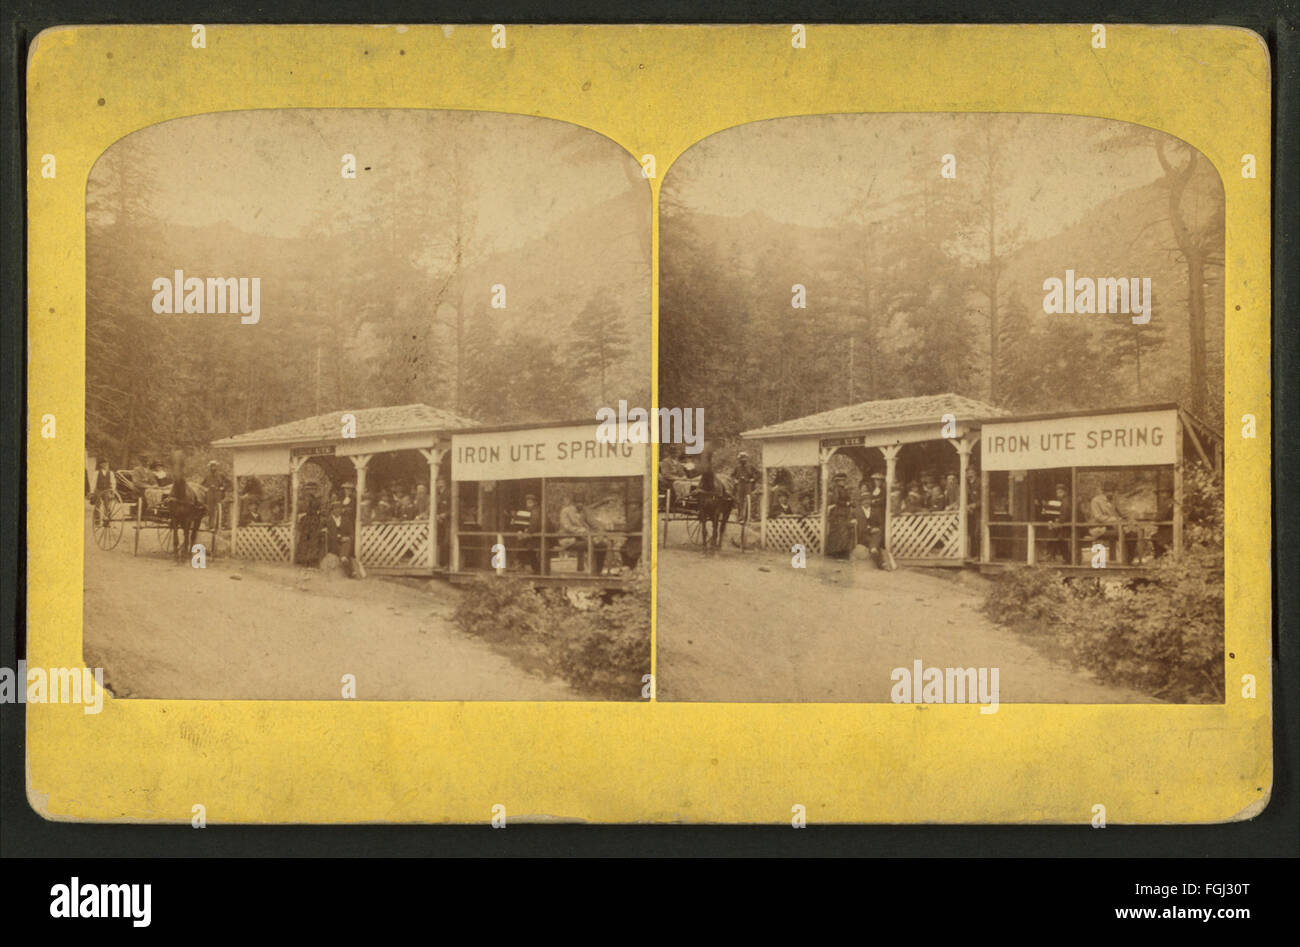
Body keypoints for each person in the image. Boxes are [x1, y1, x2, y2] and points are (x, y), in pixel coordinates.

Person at [825, 472, 855, 558]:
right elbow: (836, 501)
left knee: (843, 532)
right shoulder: (836, 489)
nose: (844, 482)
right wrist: (847, 503)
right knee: (839, 532)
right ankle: (835, 552)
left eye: (844, 480)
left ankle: (842, 551)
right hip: (838, 513)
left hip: (844, 512)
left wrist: (850, 503)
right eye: (842, 480)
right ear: (837, 481)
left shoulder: (843, 489)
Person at [1086, 481, 1122, 554]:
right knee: (1121, 534)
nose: (1111, 493)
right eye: (1108, 491)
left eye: (1112, 491)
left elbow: (1121, 512)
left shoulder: (1112, 500)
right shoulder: (1096, 501)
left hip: (1109, 527)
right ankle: (1123, 559)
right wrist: (1114, 519)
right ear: (1104, 492)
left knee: (1129, 533)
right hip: (1097, 528)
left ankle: (1125, 559)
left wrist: (1128, 517)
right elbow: (1098, 517)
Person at [558, 494, 591, 571]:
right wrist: (581, 530)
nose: (580, 504)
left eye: (582, 502)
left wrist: (587, 529)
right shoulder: (565, 511)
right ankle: (587, 569)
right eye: (578, 502)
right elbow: (567, 527)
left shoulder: (581, 512)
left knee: (593, 543)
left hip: (578, 539)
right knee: (588, 544)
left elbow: (586, 525)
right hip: (566, 539)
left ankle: (583, 569)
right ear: (574, 503)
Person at [325, 500, 357, 576]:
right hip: (333, 543)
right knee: (344, 550)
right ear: (332, 510)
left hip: (344, 543)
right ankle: (351, 571)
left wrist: (348, 538)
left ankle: (343, 557)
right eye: (335, 509)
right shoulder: (328, 521)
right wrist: (340, 538)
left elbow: (352, 534)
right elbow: (329, 535)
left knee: (347, 543)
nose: (338, 511)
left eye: (339, 509)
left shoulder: (346, 520)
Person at [513, 493, 543, 573]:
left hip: (538, 537)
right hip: (534, 536)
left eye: (530, 502)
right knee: (527, 550)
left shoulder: (535, 511)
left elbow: (534, 524)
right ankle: (535, 569)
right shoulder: (532, 511)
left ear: (535, 503)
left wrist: (527, 532)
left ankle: (530, 568)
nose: (528, 505)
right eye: (527, 502)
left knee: (522, 547)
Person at [732, 452, 760, 523]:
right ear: (739, 459)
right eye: (741, 458)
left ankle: (751, 516)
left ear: (747, 459)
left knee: (750, 500)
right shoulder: (737, 467)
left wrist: (753, 479)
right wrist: (735, 480)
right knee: (739, 501)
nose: (743, 460)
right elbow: (732, 475)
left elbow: (758, 473)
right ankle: (740, 518)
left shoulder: (750, 466)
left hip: (748, 484)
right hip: (740, 485)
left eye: (744, 458)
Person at [202, 461, 228, 530]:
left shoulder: (221, 475)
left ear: (216, 467)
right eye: (211, 466)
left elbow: (226, 483)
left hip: (218, 493)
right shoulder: (207, 476)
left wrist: (222, 488)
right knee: (210, 510)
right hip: (210, 494)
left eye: (214, 466)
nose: (213, 468)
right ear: (210, 467)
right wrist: (206, 489)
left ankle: (221, 525)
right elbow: (202, 485)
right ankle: (210, 526)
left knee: (219, 509)